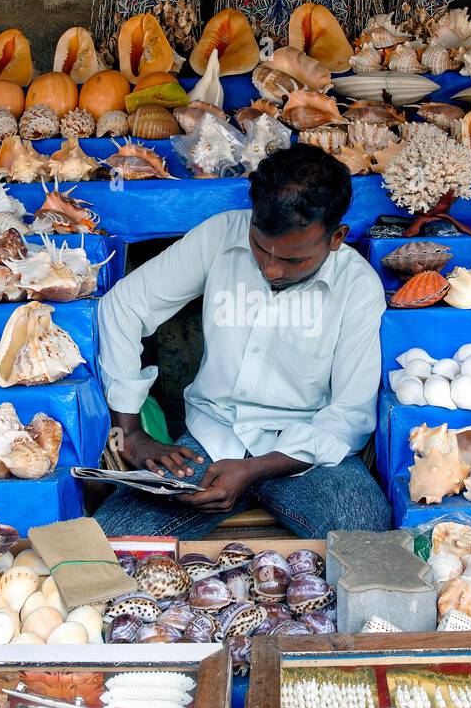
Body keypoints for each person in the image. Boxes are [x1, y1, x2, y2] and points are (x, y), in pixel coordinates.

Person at [93, 143, 392, 539]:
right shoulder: (222, 235)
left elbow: (350, 415)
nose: (271, 268)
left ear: (336, 237)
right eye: (260, 247)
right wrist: (130, 431)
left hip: (305, 455)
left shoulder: (357, 286)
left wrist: (253, 469)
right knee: (113, 538)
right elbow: (124, 305)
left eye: (293, 260)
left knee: (366, 531)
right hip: (211, 441)